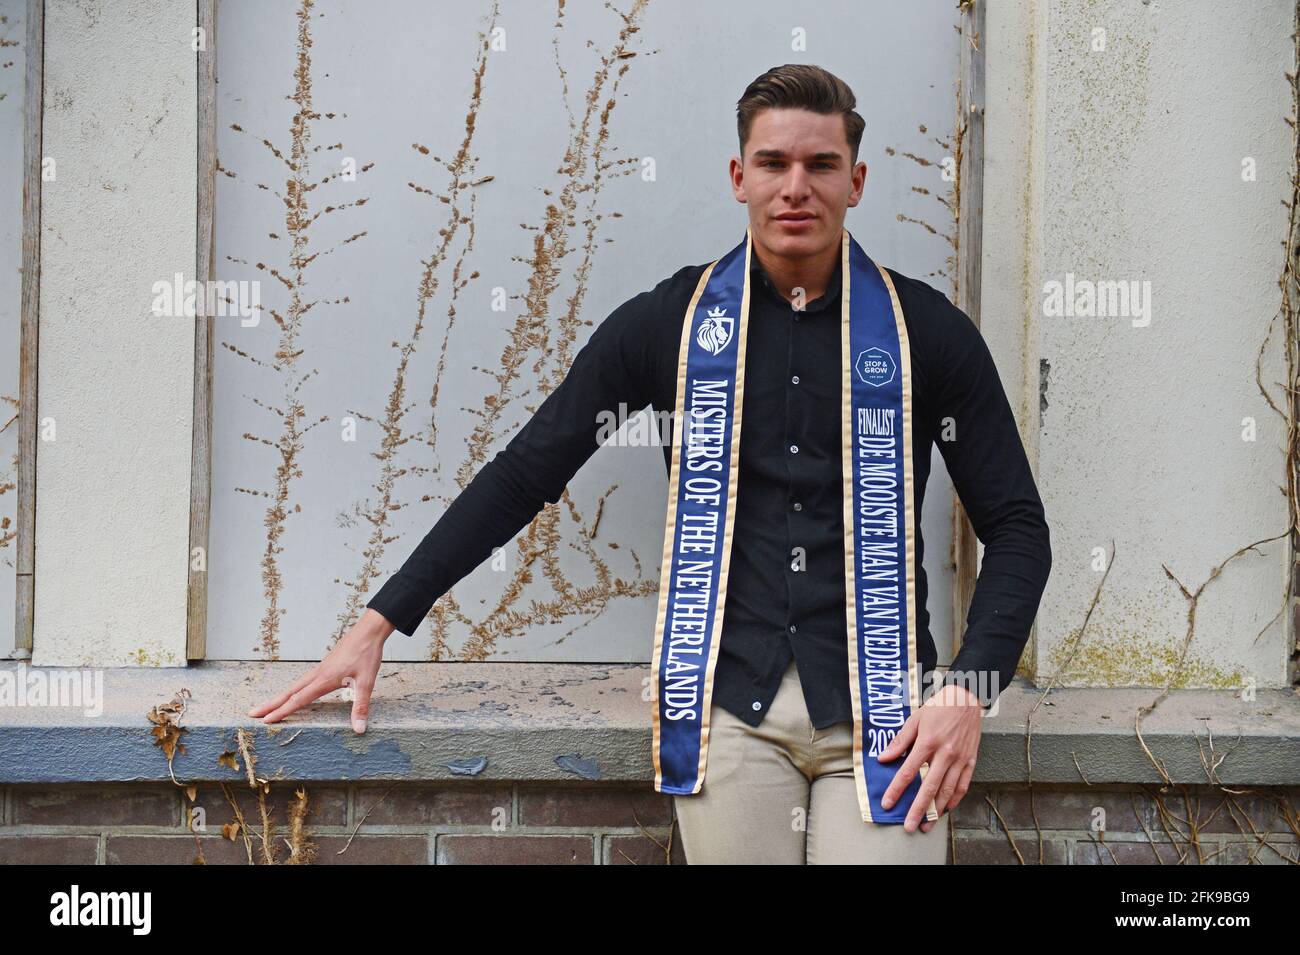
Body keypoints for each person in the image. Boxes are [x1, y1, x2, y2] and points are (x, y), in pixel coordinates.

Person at [249, 64, 1052, 864]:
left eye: (820, 165)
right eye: (773, 164)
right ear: (740, 177)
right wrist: (380, 618)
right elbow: (527, 470)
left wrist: (967, 691)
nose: (795, 186)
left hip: (887, 714)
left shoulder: (926, 334)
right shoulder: (670, 324)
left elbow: (1017, 527)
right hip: (731, 716)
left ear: (857, 180)